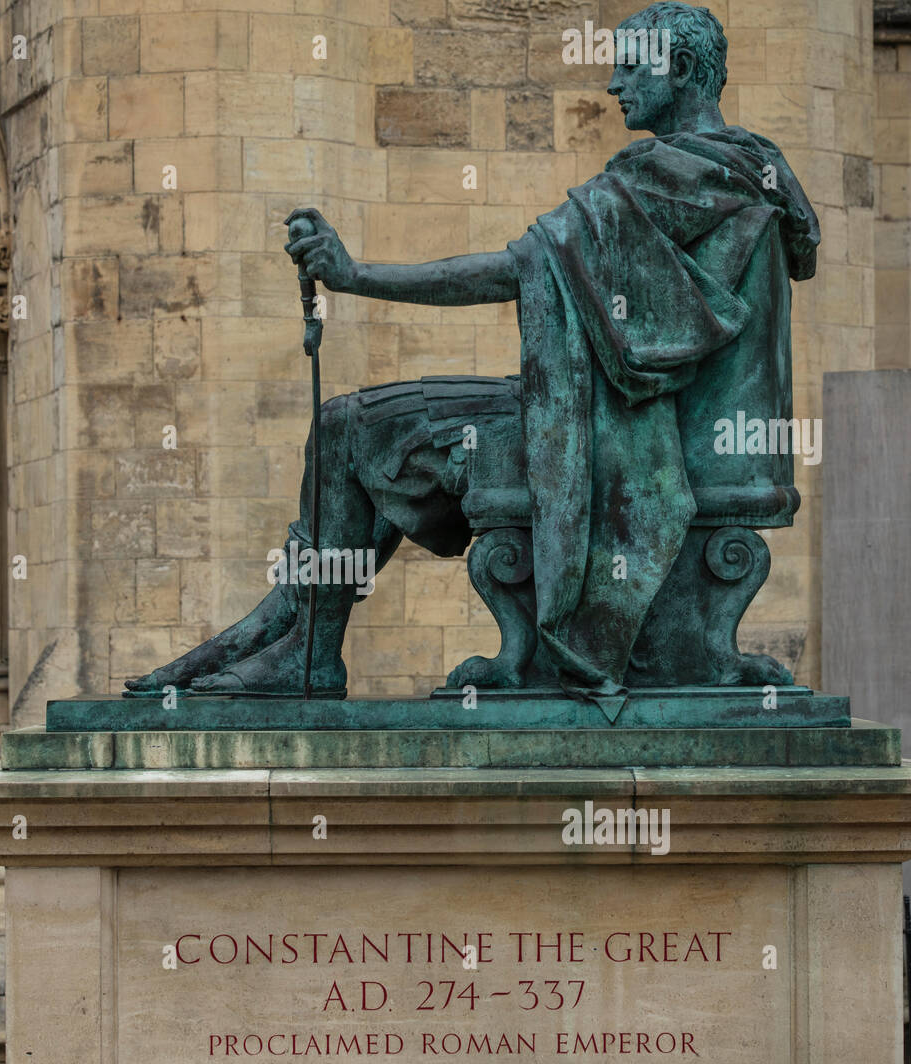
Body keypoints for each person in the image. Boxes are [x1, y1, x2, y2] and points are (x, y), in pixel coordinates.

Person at [125, 2, 818, 701]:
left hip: (631, 436)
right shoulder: (753, 170)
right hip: (640, 421)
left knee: (344, 426)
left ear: (686, 70)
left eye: (632, 65)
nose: (613, 84)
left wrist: (355, 275)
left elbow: (511, 270)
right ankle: (297, 637)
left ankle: (306, 648)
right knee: (353, 423)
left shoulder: (668, 177)